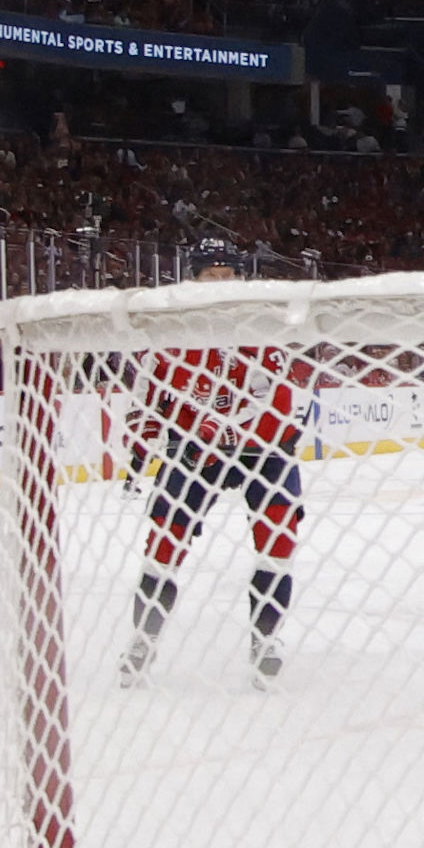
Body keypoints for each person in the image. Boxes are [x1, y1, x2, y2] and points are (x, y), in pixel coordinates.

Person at [120, 242, 316, 688]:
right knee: (163, 543)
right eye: (211, 276)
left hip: (268, 449)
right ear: (193, 280)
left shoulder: (270, 321)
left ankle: (265, 640)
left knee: (278, 539)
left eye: (228, 276)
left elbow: (293, 374)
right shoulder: (171, 330)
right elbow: (147, 396)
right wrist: (143, 440)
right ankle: (142, 638)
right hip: (195, 449)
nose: (220, 284)